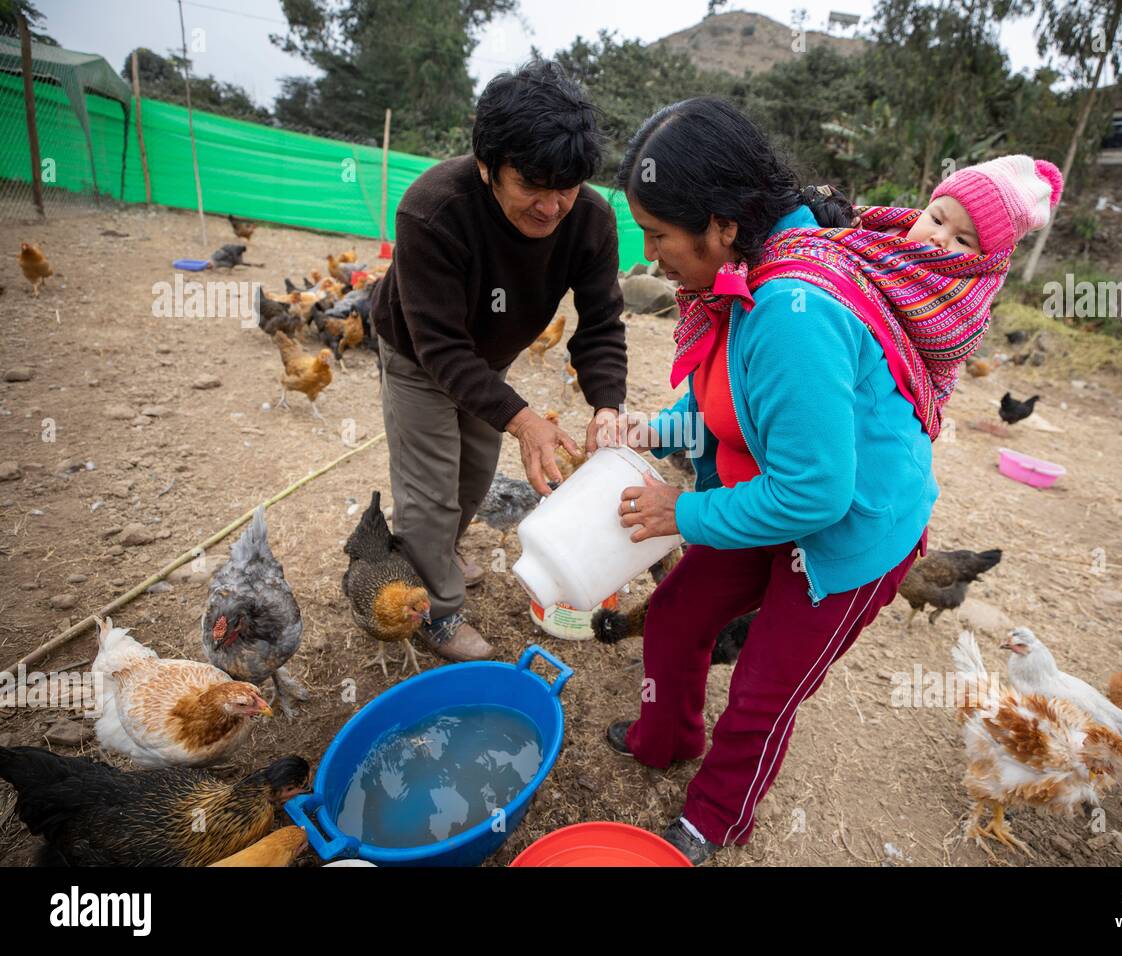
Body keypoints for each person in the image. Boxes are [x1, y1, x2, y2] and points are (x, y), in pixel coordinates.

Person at [603, 98, 1059, 864]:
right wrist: (653, 428)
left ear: (720, 223)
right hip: (773, 492)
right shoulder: (749, 267)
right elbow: (730, 399)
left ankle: (713, 819)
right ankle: (666, 736)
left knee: (760, 691)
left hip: (846, 529)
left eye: (657, 234)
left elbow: (815, 495)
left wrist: (685, 511)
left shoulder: (791, 305)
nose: (650, 255)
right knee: (679, 615)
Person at [370, 60, 628, 662]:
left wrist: (607, 406)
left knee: (474, 476)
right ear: (488, 166)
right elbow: (440, 348)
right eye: (533, 186)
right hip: (419, 353)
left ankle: (441, 551)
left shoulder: (589, 219)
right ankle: (434, 611)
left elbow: (601, 324)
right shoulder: (433, 210)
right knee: (430, 487)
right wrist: (527, 420)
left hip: (491, 356)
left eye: (567, 186)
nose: (552, 205)